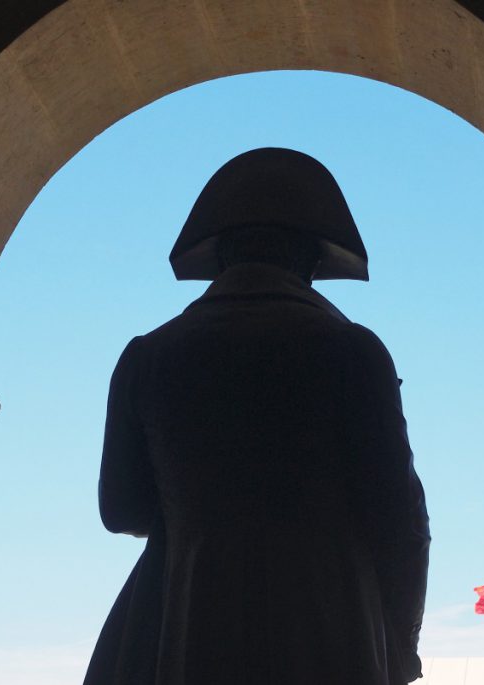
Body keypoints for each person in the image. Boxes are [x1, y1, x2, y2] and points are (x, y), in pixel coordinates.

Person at [84, 148, 430, 685]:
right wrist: (401, 647)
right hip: (330, 636)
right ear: (312, 262)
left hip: (183, 628)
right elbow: (401, 524)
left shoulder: (147, 356)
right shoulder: (355, 352)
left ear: (219, 258)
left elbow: (121, 510)